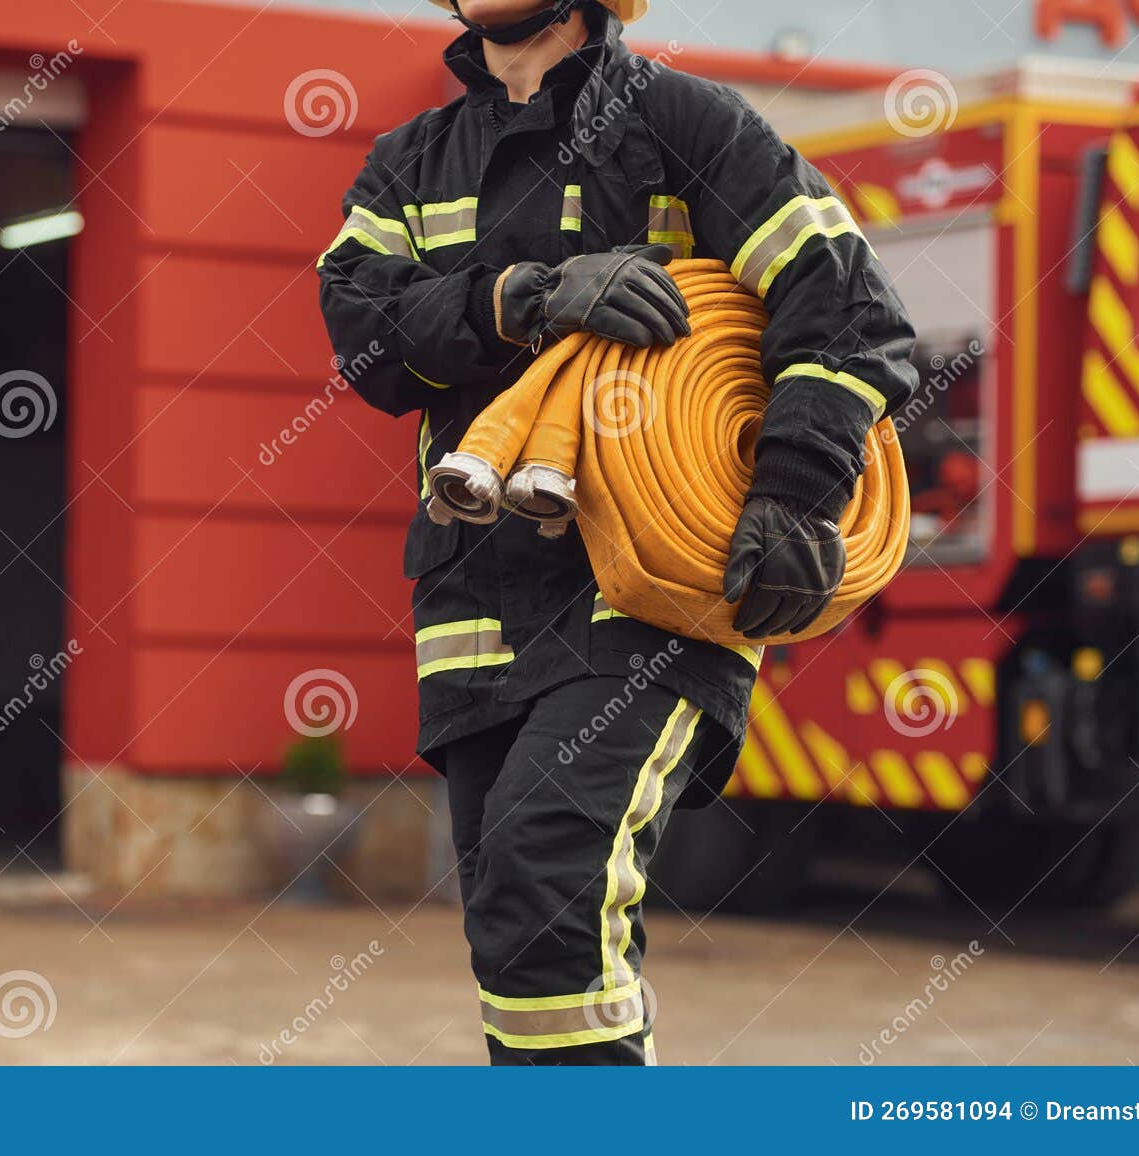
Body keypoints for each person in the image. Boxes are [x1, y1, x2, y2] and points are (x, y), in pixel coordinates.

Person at [316, 0, 917, 1065]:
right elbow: (366, 342)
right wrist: (523, 297)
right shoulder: (408, 163)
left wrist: (791, 491)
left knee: (549, 875)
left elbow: (847, 306)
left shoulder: (686, 124)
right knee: (518, 920)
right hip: (470, 598)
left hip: (645, 589)